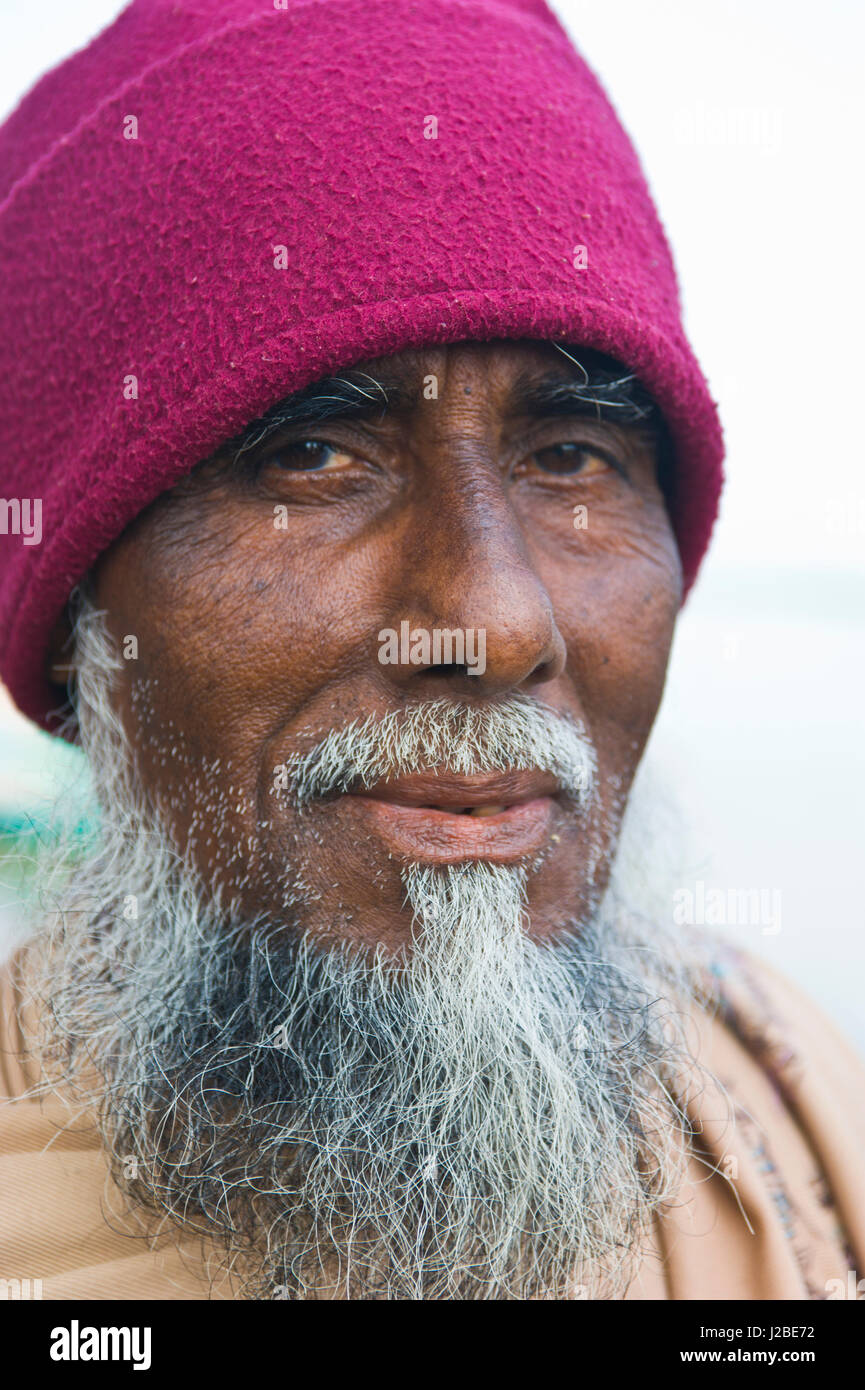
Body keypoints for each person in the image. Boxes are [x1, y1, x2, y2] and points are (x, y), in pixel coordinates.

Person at [0, 0, 861, 1301]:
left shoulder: (780, 1094)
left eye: (569, 457)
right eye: (313, 456)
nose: (500, 621)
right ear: (76, 626)